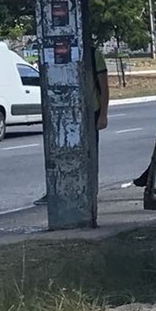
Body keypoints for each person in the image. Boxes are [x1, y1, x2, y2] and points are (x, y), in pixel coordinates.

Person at [35, 46, 110, 205]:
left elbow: (104, 87)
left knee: (89, 153)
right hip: (63, 111)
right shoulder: (54, 53)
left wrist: (103, 114)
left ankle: (90, 190)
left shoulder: (93, 54)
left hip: (90, 112)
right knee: (59, 151)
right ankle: (57, 189)